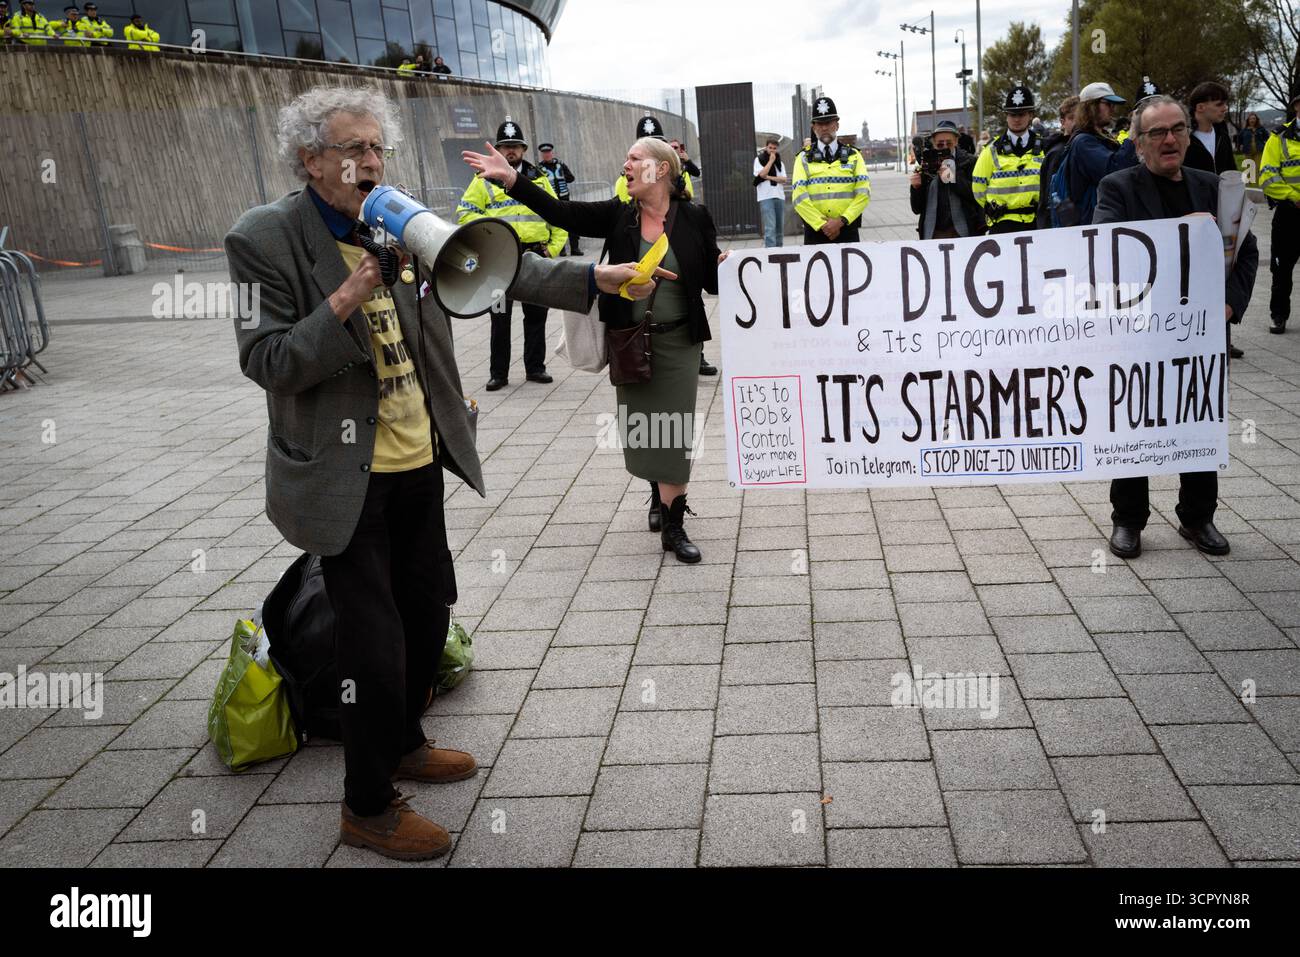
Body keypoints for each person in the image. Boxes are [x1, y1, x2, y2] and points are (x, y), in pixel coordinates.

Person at [227, 86, 655, 861]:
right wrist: (352, 292)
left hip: (417, 457)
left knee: (428, 614)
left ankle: (403, 738)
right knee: (373, 643)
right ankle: (366, 805)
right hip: (341, 475)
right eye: (352, 150)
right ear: (309, 160)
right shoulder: (264, 238)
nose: (368, 162)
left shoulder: (400, 217)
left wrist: (595, 281)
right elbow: (268, 360)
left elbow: (497, 272)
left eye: (376, 148)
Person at [464, 135, 724, 564]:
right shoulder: (619, 217)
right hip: (630, 339)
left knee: (674, 430)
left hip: (679, 341)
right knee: (643, 427)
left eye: (634, 158)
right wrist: (513, 180)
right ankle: (657, 494)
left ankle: (674, 524)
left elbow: (711, 282)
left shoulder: (694, 217)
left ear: (660, 169)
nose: (625, 165)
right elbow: (561, 212)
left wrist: (728, 265)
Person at [1094, 94, 1257, 560]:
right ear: (1139, 142)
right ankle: (1128, 520)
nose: (1170, 139)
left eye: (1178, 129)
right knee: (1135, 423)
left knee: (1199, 422)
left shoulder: (1215, 186)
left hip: (1204, 333)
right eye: (1158, 132)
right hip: (1141, 332)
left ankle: (1198, 517)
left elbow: (1246, 251)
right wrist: (1178, 230)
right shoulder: (1116, 188)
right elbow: (1109, 248)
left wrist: (1230, 306)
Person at [456, 116, 567, 391]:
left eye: (516, 146)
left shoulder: (539, 180)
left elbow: (559, 217)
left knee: (536, 316)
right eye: (505, 146)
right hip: (499, 261)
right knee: (499, 317)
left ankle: (535, 368)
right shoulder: (482, 180)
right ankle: (499, 374)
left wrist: (551, 249)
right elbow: (464, 214)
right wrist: (487, 243)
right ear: (497, 149)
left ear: (524, 150)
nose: (511, 151)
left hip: (535, 257)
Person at [790, 94, 871, 245]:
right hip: (815, 232)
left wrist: (840, 221)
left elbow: (863, 193)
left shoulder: (854, 155)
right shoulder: (802, 158)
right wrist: (822, 225)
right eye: (819, 124)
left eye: (828, 122)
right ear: (813, 127)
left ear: (837, 125)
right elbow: (798, 196)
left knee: (851, 269)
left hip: (847, 230)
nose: (824, 128)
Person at [1056, 81, 1137, 226]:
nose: (1113, 109)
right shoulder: (1083, 143)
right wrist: (1132, 135)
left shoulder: (1100, 139)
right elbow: (1117, 171)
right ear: (1090, 106)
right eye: (1108, 104)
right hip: (1093, 229)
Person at [972, 85, 1045, 233]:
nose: (1017, 119)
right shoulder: (991, 150)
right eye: (1012, 115)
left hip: (1036, 224)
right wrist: (991, 207)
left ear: (1030, 115)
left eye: (1022, 114)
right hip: (1002, 226)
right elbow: (978, 188)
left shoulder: (1044, 148)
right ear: (1006, 116)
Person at [1260, 92, 1300, 335]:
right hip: (1290, 213)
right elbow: (1267, 174)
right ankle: (1279, 315)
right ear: (1296, 106)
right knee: (1281, 268)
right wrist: (1293, 197)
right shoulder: (1279, 137)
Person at [908, 119, 983, 240]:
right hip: (933, 233)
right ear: (933, 143)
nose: (944, 147)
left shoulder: (969, 161)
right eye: (940, 144)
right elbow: (916, 208)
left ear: (956, 141)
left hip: (964, 231)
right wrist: (916, 188)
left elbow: (978, 196)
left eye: (949, 143)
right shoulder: (926, 163)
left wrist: (953, 179)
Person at [614, 115, 695, 201]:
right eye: (645, 148)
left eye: (656, 148)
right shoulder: (624, 181)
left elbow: (688, 202)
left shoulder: (681, 175)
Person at [1037, 95, 1079, 228]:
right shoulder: (1057, 152)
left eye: (1080, 117)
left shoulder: (1081, 146)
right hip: (1062, 225)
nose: (1077, 122)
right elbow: (1051, 198)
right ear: (1062, 122)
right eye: (1072, 118)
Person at [536, 142, 580, 254]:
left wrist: (561, 177)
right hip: (551, 200)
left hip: (565, 199)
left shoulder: (561, 165)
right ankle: (561, 249)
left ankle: (575, 248)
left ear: (552, 153)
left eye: (548, 152)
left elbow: (571, 178)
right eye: (544, 153)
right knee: (555, 224)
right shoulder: (539, 168)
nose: (547, 155)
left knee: (571, 223)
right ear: (542, 154)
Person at [1185, 81, 1236, 175]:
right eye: (1219, 104)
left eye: (1225, 104)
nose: (1225, 108)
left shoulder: (1222, 134)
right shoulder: (1183, 138)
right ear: (1200, 107)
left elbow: (1231, 169)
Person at [753, 136, 788, 247]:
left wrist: (769, 177)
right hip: (766, 196)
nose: (772, 150)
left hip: (779, 196)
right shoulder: (759, 159)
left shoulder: (780, 163)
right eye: (770, 148)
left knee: (779, 228)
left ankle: (779, 251)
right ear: (766, 147)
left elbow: (784, 179)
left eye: (774, 148)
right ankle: (770, 253)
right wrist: (770, 161)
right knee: (770, 228)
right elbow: (761, 174)